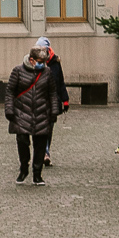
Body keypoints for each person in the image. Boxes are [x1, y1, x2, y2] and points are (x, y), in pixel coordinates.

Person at [6, 38, 60, 184]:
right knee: (22, 142)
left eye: (44, 61)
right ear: (31, 60)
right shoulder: (18, 71)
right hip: (21, 113)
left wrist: (54, 111)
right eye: (40, 61)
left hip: (42, 113)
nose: (43, 64)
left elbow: (52, 93)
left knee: (40, 145)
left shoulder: (47, 73)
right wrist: (9, 110)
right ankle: (24, 168)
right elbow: (10, 92)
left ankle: (37, 174)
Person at [39, 38, 69, 167]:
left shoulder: (55, 63)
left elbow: (60, 82)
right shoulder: (34, 62)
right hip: (39, 100)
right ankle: (43, 153)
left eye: (43, 49)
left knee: (49, 128)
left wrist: (65, 100)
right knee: (41, 128)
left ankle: (45, 152)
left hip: (53, 101)